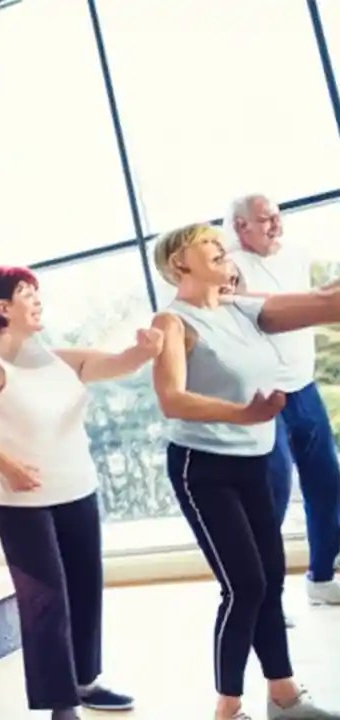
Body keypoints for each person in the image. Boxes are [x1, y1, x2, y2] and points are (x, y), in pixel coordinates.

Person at [150, 222, 340, 720]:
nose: (219, 249)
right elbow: (171, 399)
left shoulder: (241, 308)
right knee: (245, 586)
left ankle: (283, 696)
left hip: (254, 460)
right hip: (202, 467)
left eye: (219, 243)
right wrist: (242, 415)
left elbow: (322, 298)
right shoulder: (172, 322)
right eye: (206, 245)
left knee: (271, 577)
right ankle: (228, 708)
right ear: (179, 264)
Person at [0, 266, 147, 720]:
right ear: (2, 308)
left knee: (83, 586)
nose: (37, 298)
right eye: (25, 292)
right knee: (46, 598)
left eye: (36, 290)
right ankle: (61, 702)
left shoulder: (60, 360)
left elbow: (118, 363)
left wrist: (143, 349)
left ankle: (85, 681)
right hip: (19, 501)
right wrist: (8, 466)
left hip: (77, 488)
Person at [225, 194, 340, 607]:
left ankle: (322, 577)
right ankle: (266, 600)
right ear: (241, 227)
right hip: (265, 396)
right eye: (264, 220)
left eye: (277, 217)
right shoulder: (231, 264)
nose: (276, 225)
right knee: (269, 500)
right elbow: (260, 311)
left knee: (328, 486)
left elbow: (312, 297)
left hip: (304, 388)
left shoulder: (295, 254)